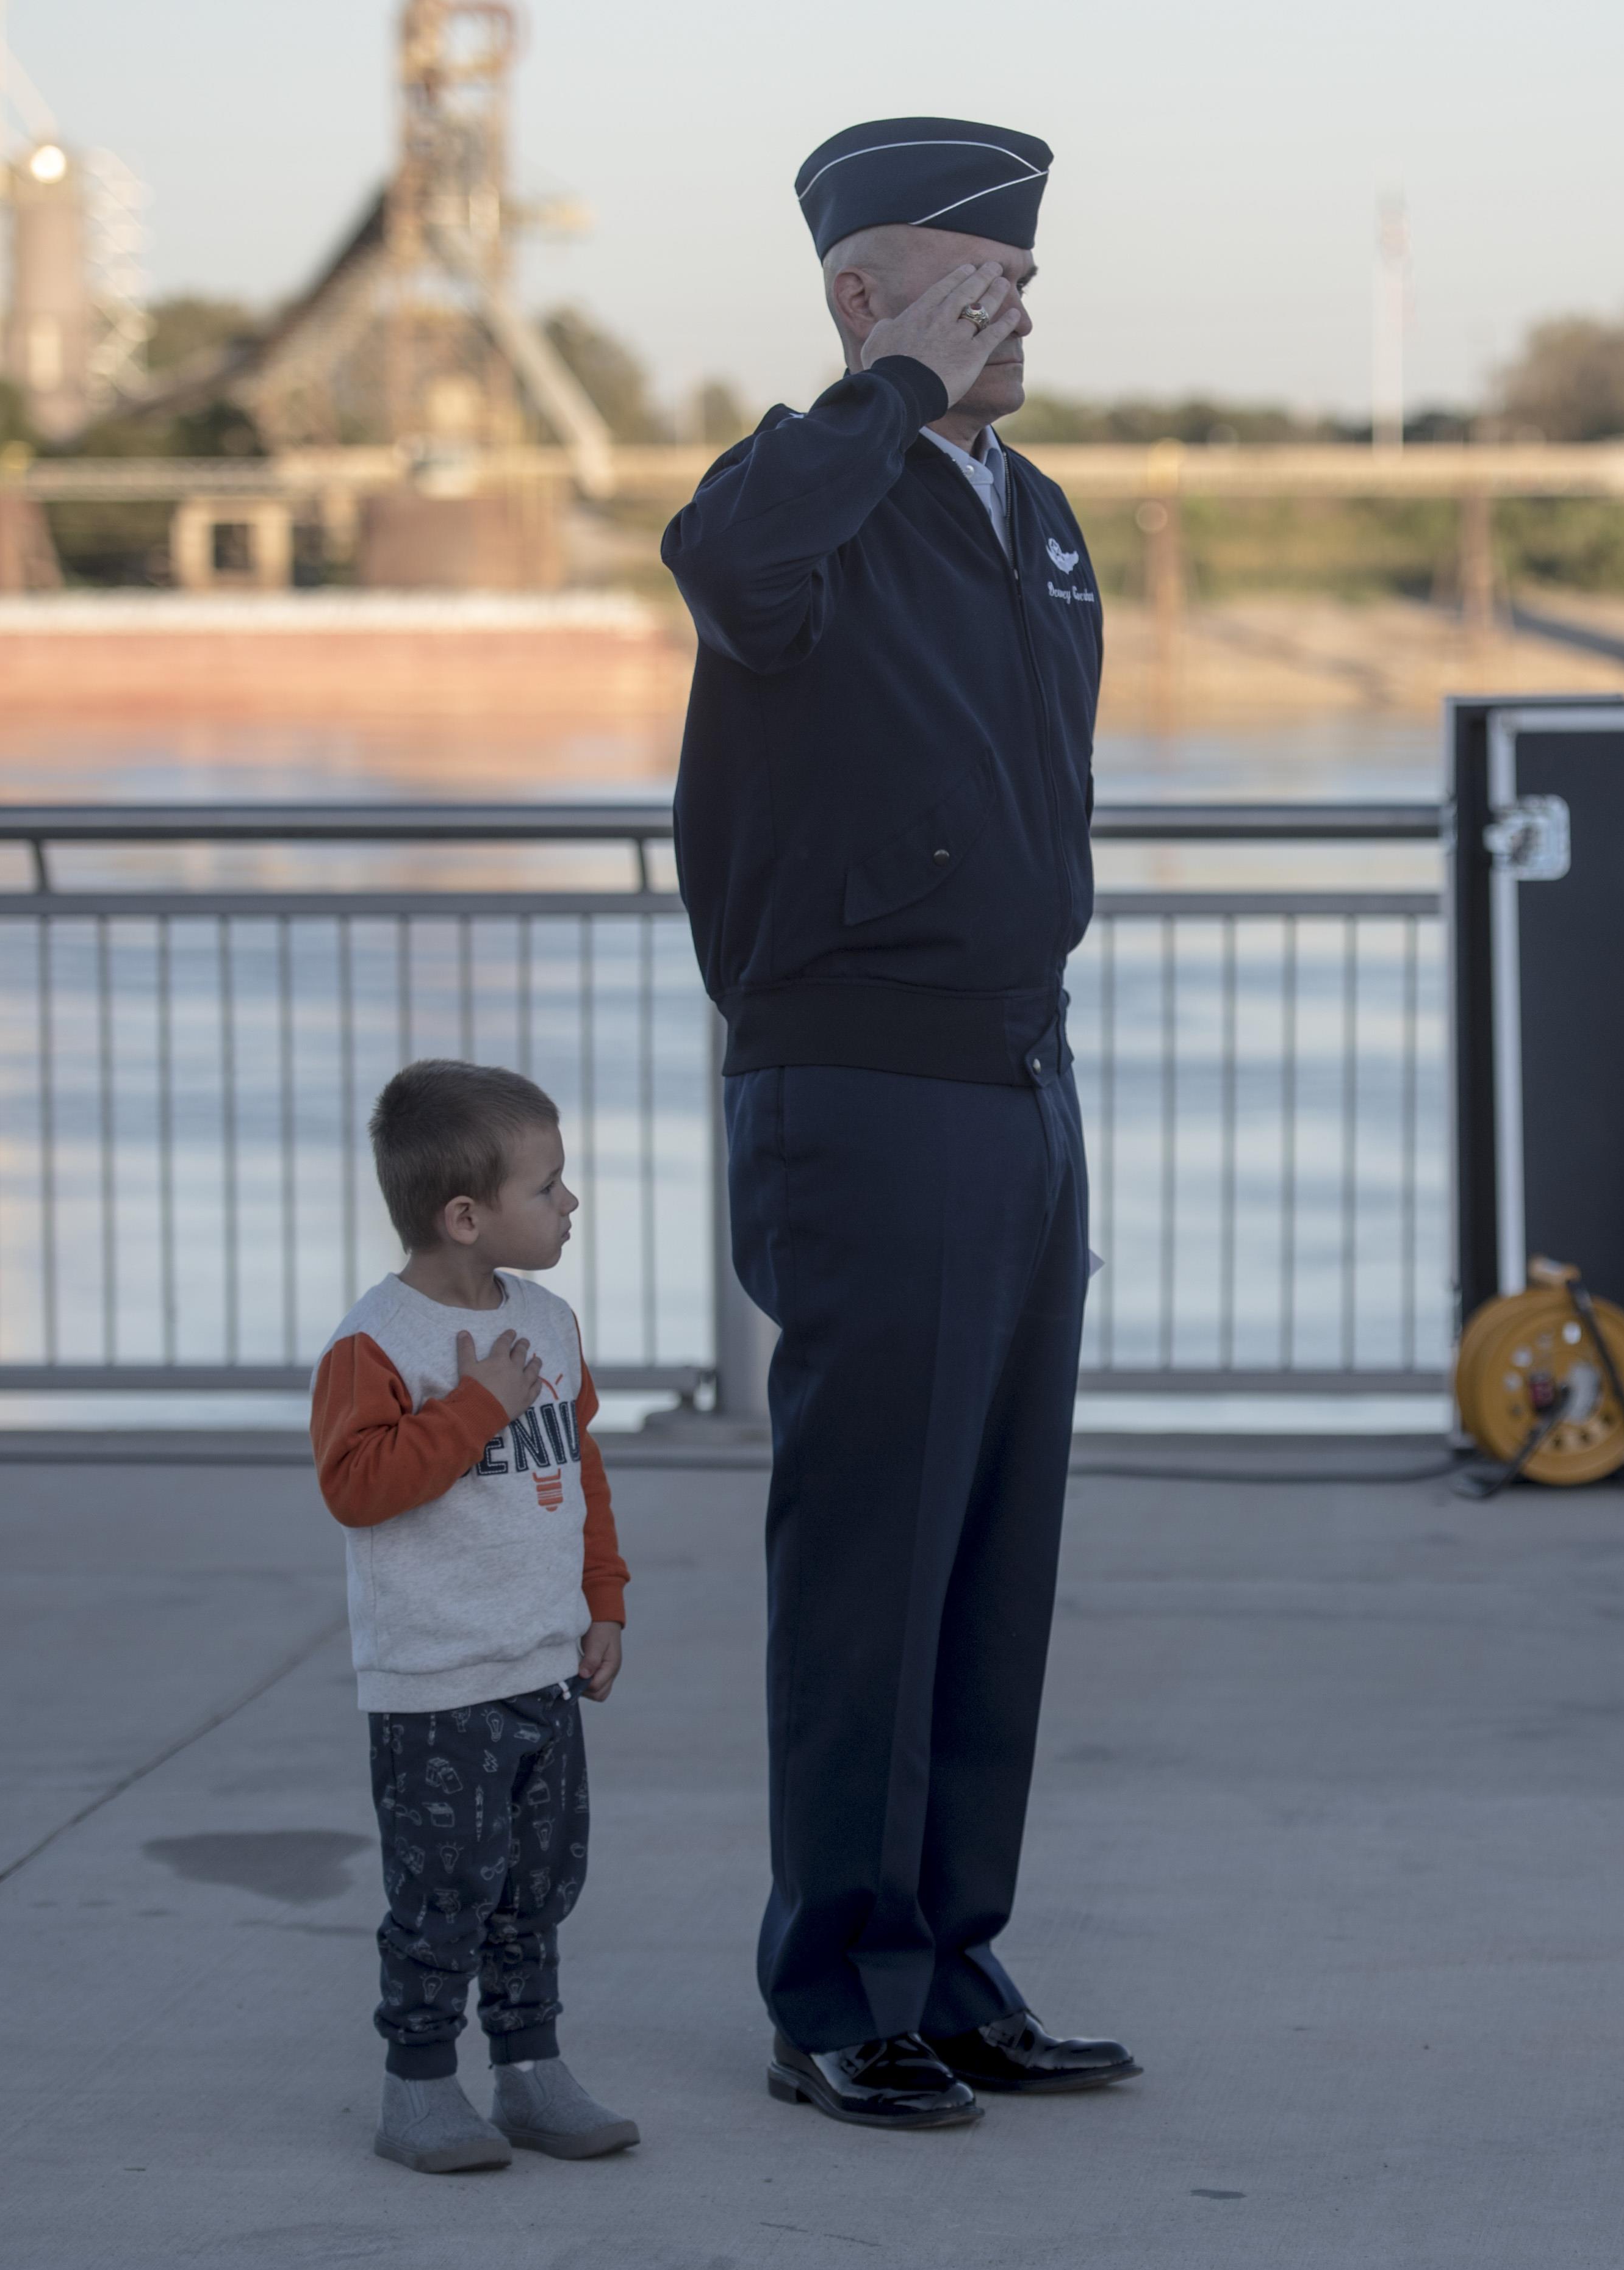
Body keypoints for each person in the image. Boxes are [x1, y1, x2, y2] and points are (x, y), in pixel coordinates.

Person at [660, 115, 1136, 2130]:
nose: (1009, 309)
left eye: (1019, 278)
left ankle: (952, 1956)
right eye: (969, 280)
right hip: (864, 1085)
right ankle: (835, 1988)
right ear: (866, 297)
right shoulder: (816, 493)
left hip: (1019, 1072)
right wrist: (891, 392)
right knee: (872, 1553)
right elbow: (728, 557)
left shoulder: (1032, 509)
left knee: (991, 1554)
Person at [311, 1060, 640, 2174]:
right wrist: (472, 1408)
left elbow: (579, 1468)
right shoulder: (377, 1343)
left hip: (542, 1663)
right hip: (437, 1682)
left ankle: (532, 2073)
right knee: (444, 1893)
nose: (570, 1203)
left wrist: (604, 1602)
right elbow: (357, 1485)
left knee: (536, 1889)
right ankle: (418, 2090)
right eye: (547, 1186)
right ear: (464, 1215)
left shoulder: (548, 1319)